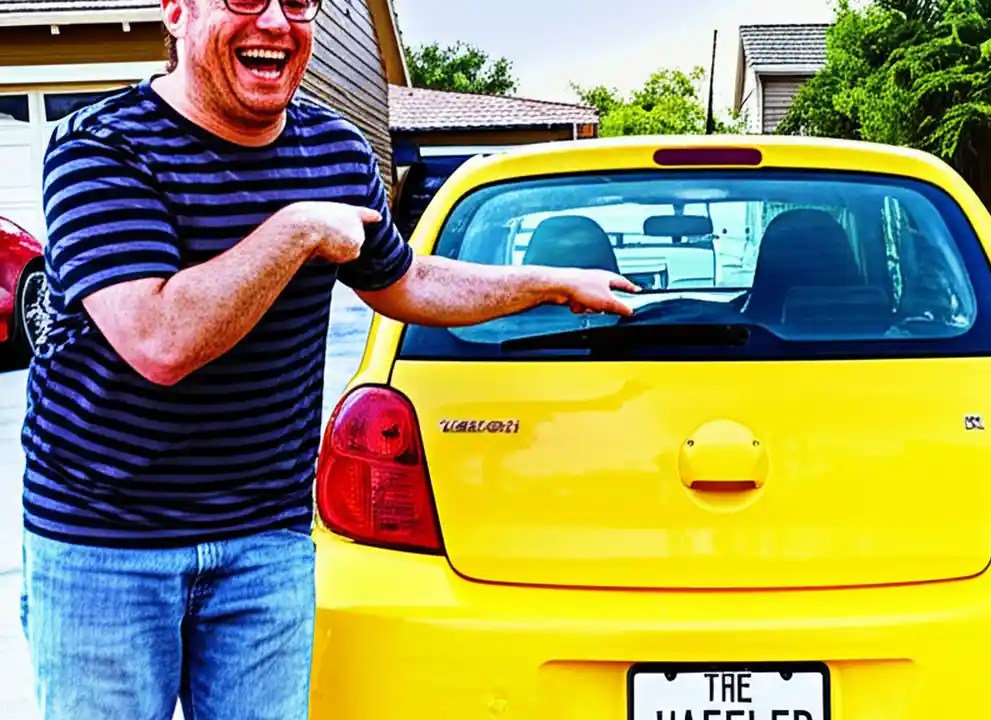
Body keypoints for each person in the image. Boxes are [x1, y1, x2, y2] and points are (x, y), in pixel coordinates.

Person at [18, 0, 639, 718]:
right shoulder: (102, 148)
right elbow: (160, 341)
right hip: (105, 544)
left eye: (299, 2)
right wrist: (298, 228)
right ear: (178, 11)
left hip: (265, 541)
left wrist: (551, 283)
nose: (277, 22)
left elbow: (405, 281)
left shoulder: (334, 151)